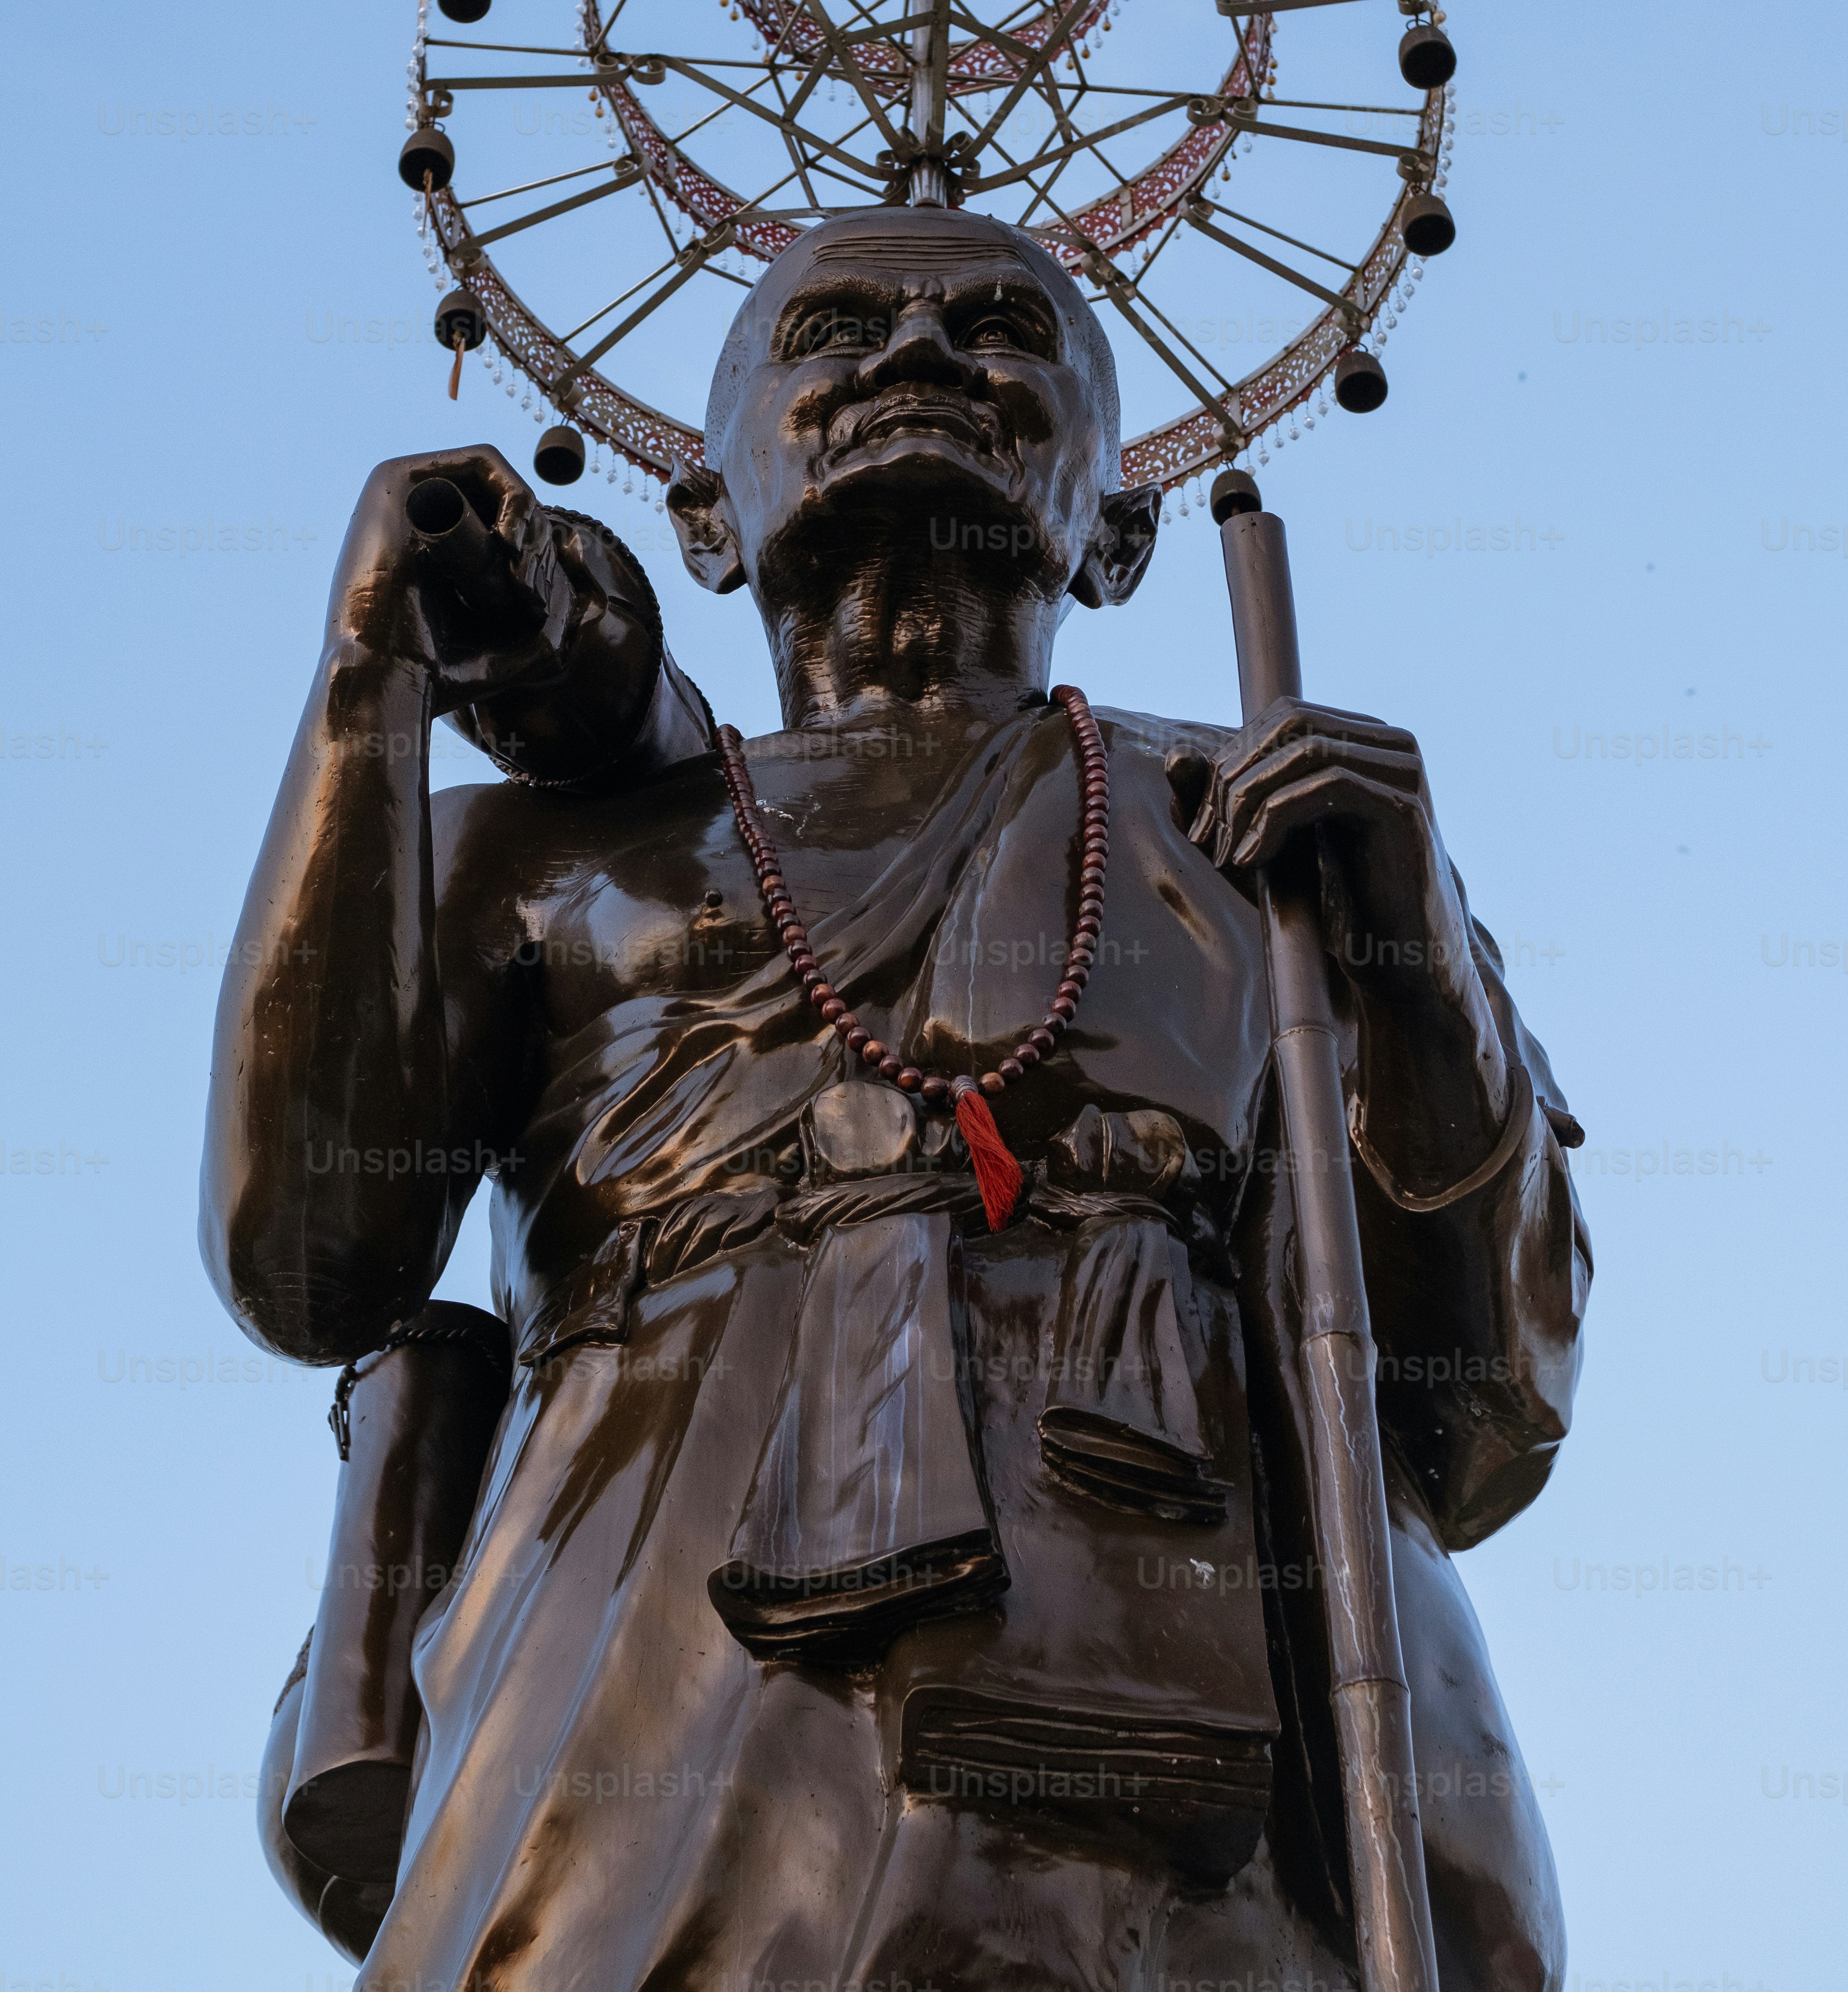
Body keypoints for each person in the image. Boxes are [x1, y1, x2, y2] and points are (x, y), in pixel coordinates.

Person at [203, 203, 1589, 1992]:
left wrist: (1416, 964)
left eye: (1002, 330)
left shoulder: (1261, 829)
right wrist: (370, 675)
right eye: (834, 330)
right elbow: (308, 1266)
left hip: (1185, 1704)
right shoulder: (533, 858)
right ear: (701, 517)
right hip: (653, 1686)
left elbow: (1483, 1416)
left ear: (1121, 531)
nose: (920, 356)